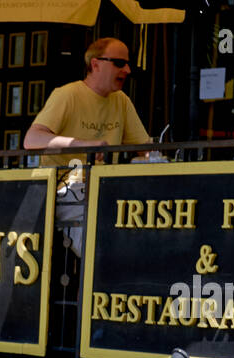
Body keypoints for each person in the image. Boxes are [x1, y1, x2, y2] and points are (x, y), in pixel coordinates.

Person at [24, 37, 152, 254]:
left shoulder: (121, 100)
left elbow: (145, 149)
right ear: (95, 64)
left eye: (128, 63)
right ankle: (102, 278)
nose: (128, 70)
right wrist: (83, 145)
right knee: (102, 239)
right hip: (67, 189)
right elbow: (32, 139)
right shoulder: (67, 94)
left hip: (106, 188)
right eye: (120, 63)